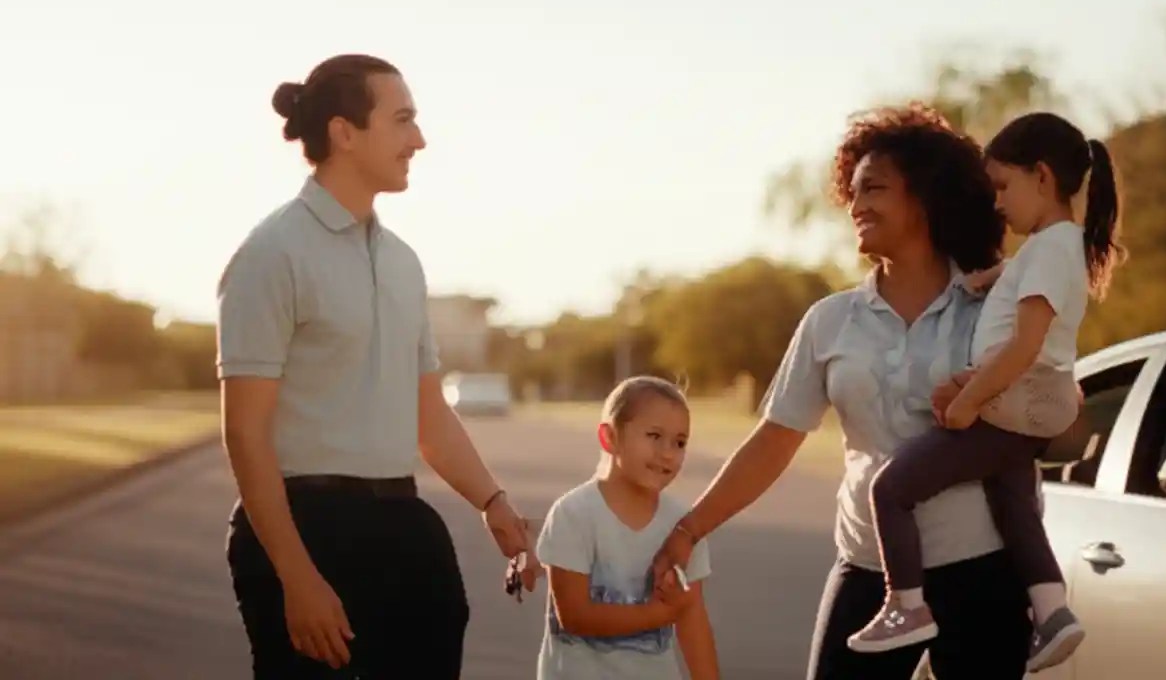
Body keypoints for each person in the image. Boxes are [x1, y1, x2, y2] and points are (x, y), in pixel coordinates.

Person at [652, 103, 1039, 679]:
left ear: (926, 196)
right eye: (852, 194)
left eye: (875, 189)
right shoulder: (830, 322)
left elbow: (1047, 418)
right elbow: (774, 442)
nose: (857, 207)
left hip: (981, 568)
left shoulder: (997, 306)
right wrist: (689, 528)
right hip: (869, 568)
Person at [217, 53, 530, 679]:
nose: (419, 139)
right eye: (403, 120)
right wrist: (298, 579)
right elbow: (245, 434)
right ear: (344, 132)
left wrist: (492, 502)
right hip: (303, 532)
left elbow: (428, 415)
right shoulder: (269, 255)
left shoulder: (403, 263)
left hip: (403, 529)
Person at [847, 111, 1125, 674]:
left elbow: (1025, 344)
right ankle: (1052, 612)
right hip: (1028, 409)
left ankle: (906, 604)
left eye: (1003, 187)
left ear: (1042, 178)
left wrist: (972, 399)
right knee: (1014, 505)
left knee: (892, 488)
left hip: (1012, 403)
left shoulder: (1049, 250)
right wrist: (985, 280)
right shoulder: (1054, 247)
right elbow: (1024, 280)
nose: (997, 203)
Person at [534, 376, 719, 680]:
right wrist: (656, 615)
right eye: (654, 436)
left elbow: (692, 616)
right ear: (610, 438)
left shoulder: (683, 525)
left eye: (680, 442)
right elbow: (574, 615)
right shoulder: (574, 514)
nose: (668, 452)